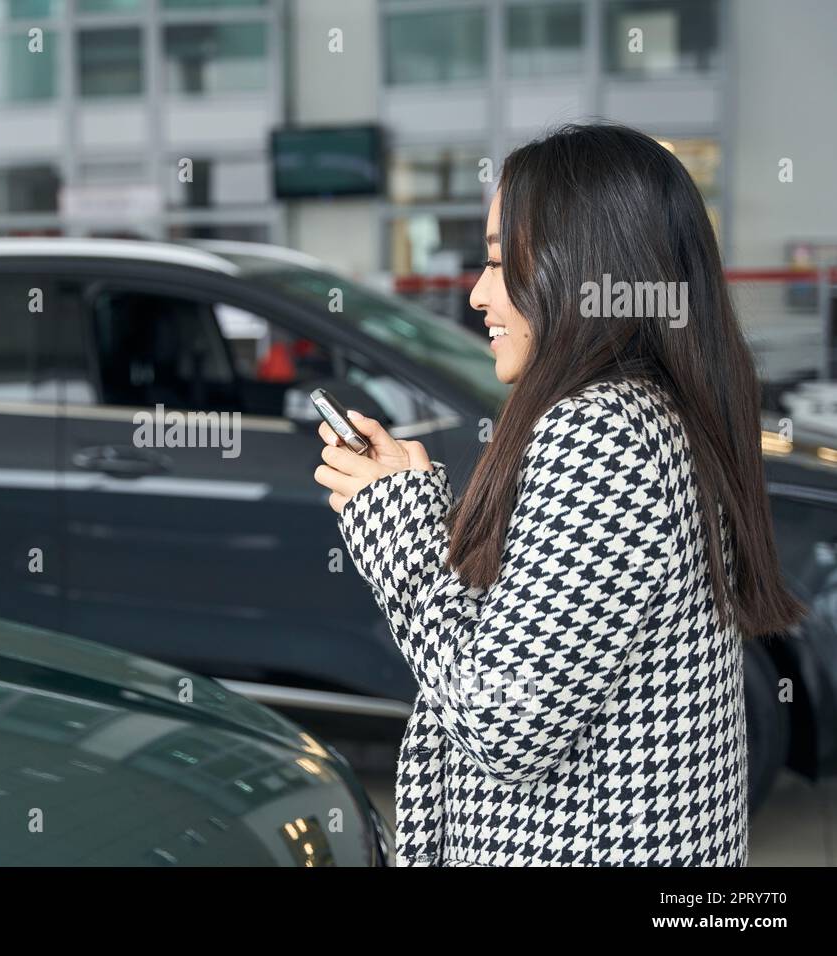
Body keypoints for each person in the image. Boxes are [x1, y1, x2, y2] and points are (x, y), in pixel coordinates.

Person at [314, 122, 803, 866]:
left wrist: (394, 525)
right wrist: (410, 496)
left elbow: (503, 724)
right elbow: (543, 637)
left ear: (584, 272)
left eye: (499, 262)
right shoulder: (662, 411)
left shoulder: (601, 432)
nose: (477, 293)